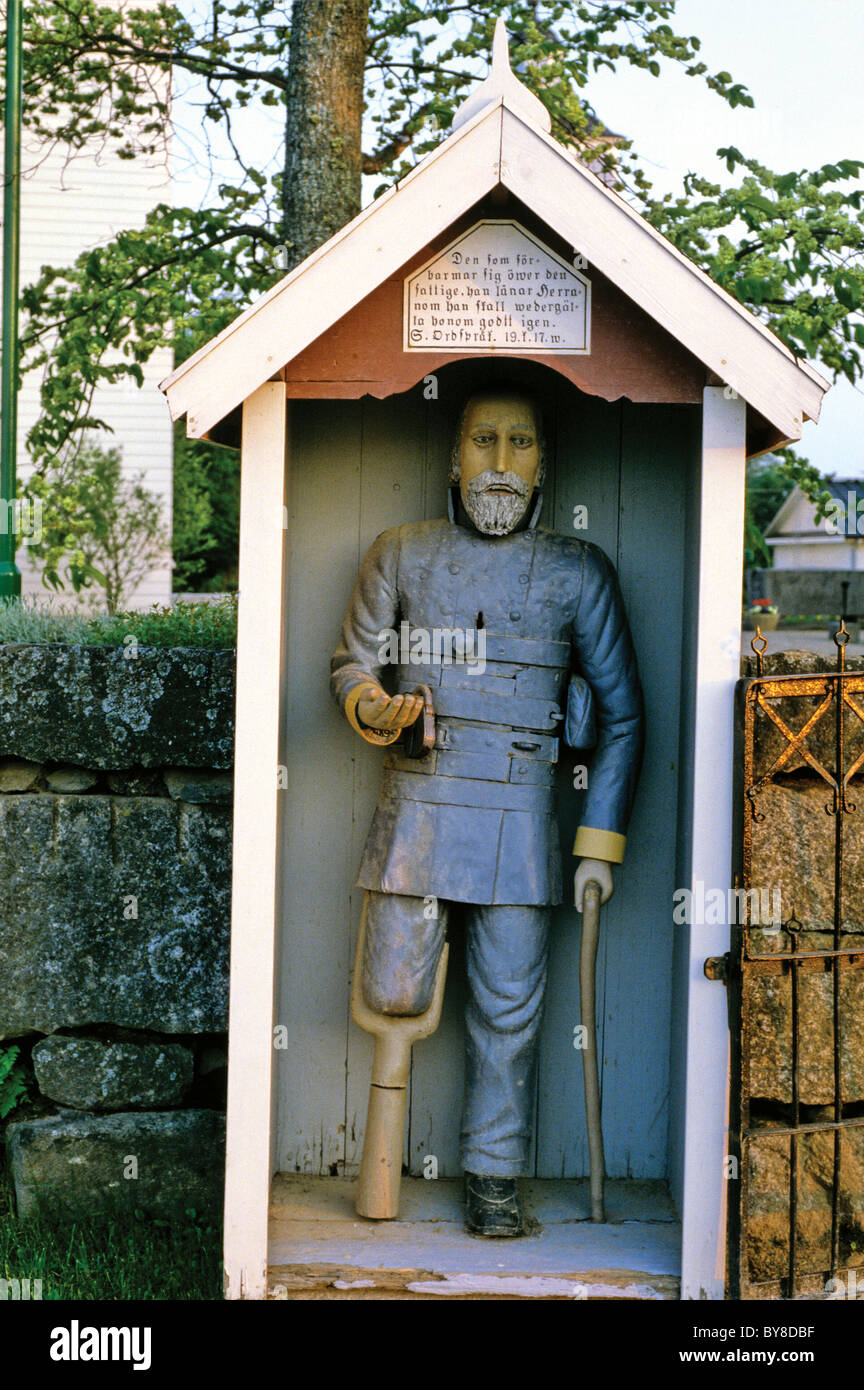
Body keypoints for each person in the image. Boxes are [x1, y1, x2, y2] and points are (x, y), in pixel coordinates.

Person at [330, 389, 643, 1235]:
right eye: (483, 440)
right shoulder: (399, 552)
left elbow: (621, 716)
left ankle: (493, 1182)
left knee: (508, 1013)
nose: (500, 463)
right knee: (391, 993)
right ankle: (381, 1169)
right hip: (417, 816)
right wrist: (377, 710)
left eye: (520, 442)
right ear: (453, 457)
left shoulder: (580, 572)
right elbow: (351, 665)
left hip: (522, 827)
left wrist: (597, 847)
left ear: (544, 463)